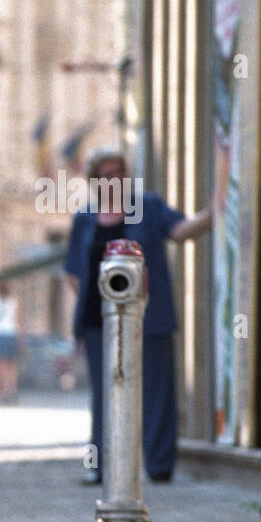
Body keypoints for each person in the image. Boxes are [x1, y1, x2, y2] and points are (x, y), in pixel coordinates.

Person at [64, 145, 222, 485]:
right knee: (103, 395)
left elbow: (180, 230)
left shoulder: (145, 207)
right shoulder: (85, 217)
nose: (116, 179)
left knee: (156, 391)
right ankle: (99, 465)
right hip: (98, 322)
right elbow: (74, 272)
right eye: (107, 175)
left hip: (150, 317)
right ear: (94, 181)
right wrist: (97, 302)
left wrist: (211, 213)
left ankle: (160, 465)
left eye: (120, 172)